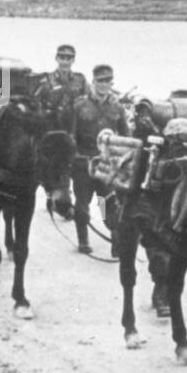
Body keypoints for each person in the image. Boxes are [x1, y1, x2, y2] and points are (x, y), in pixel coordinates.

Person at [68, 64, 128, 254]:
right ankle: (83, 240)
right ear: (93, 82)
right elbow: (71, 136)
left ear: (112, 83)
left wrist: (121, 160)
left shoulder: (117, 107)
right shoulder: (79, 105)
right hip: (83, 163)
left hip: (106, 164)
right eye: (100, 81)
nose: (104, 85)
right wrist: (75, 158)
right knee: (82, 203)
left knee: (107, 202)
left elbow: (126, 137)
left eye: (107, 81)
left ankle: (116, 240)